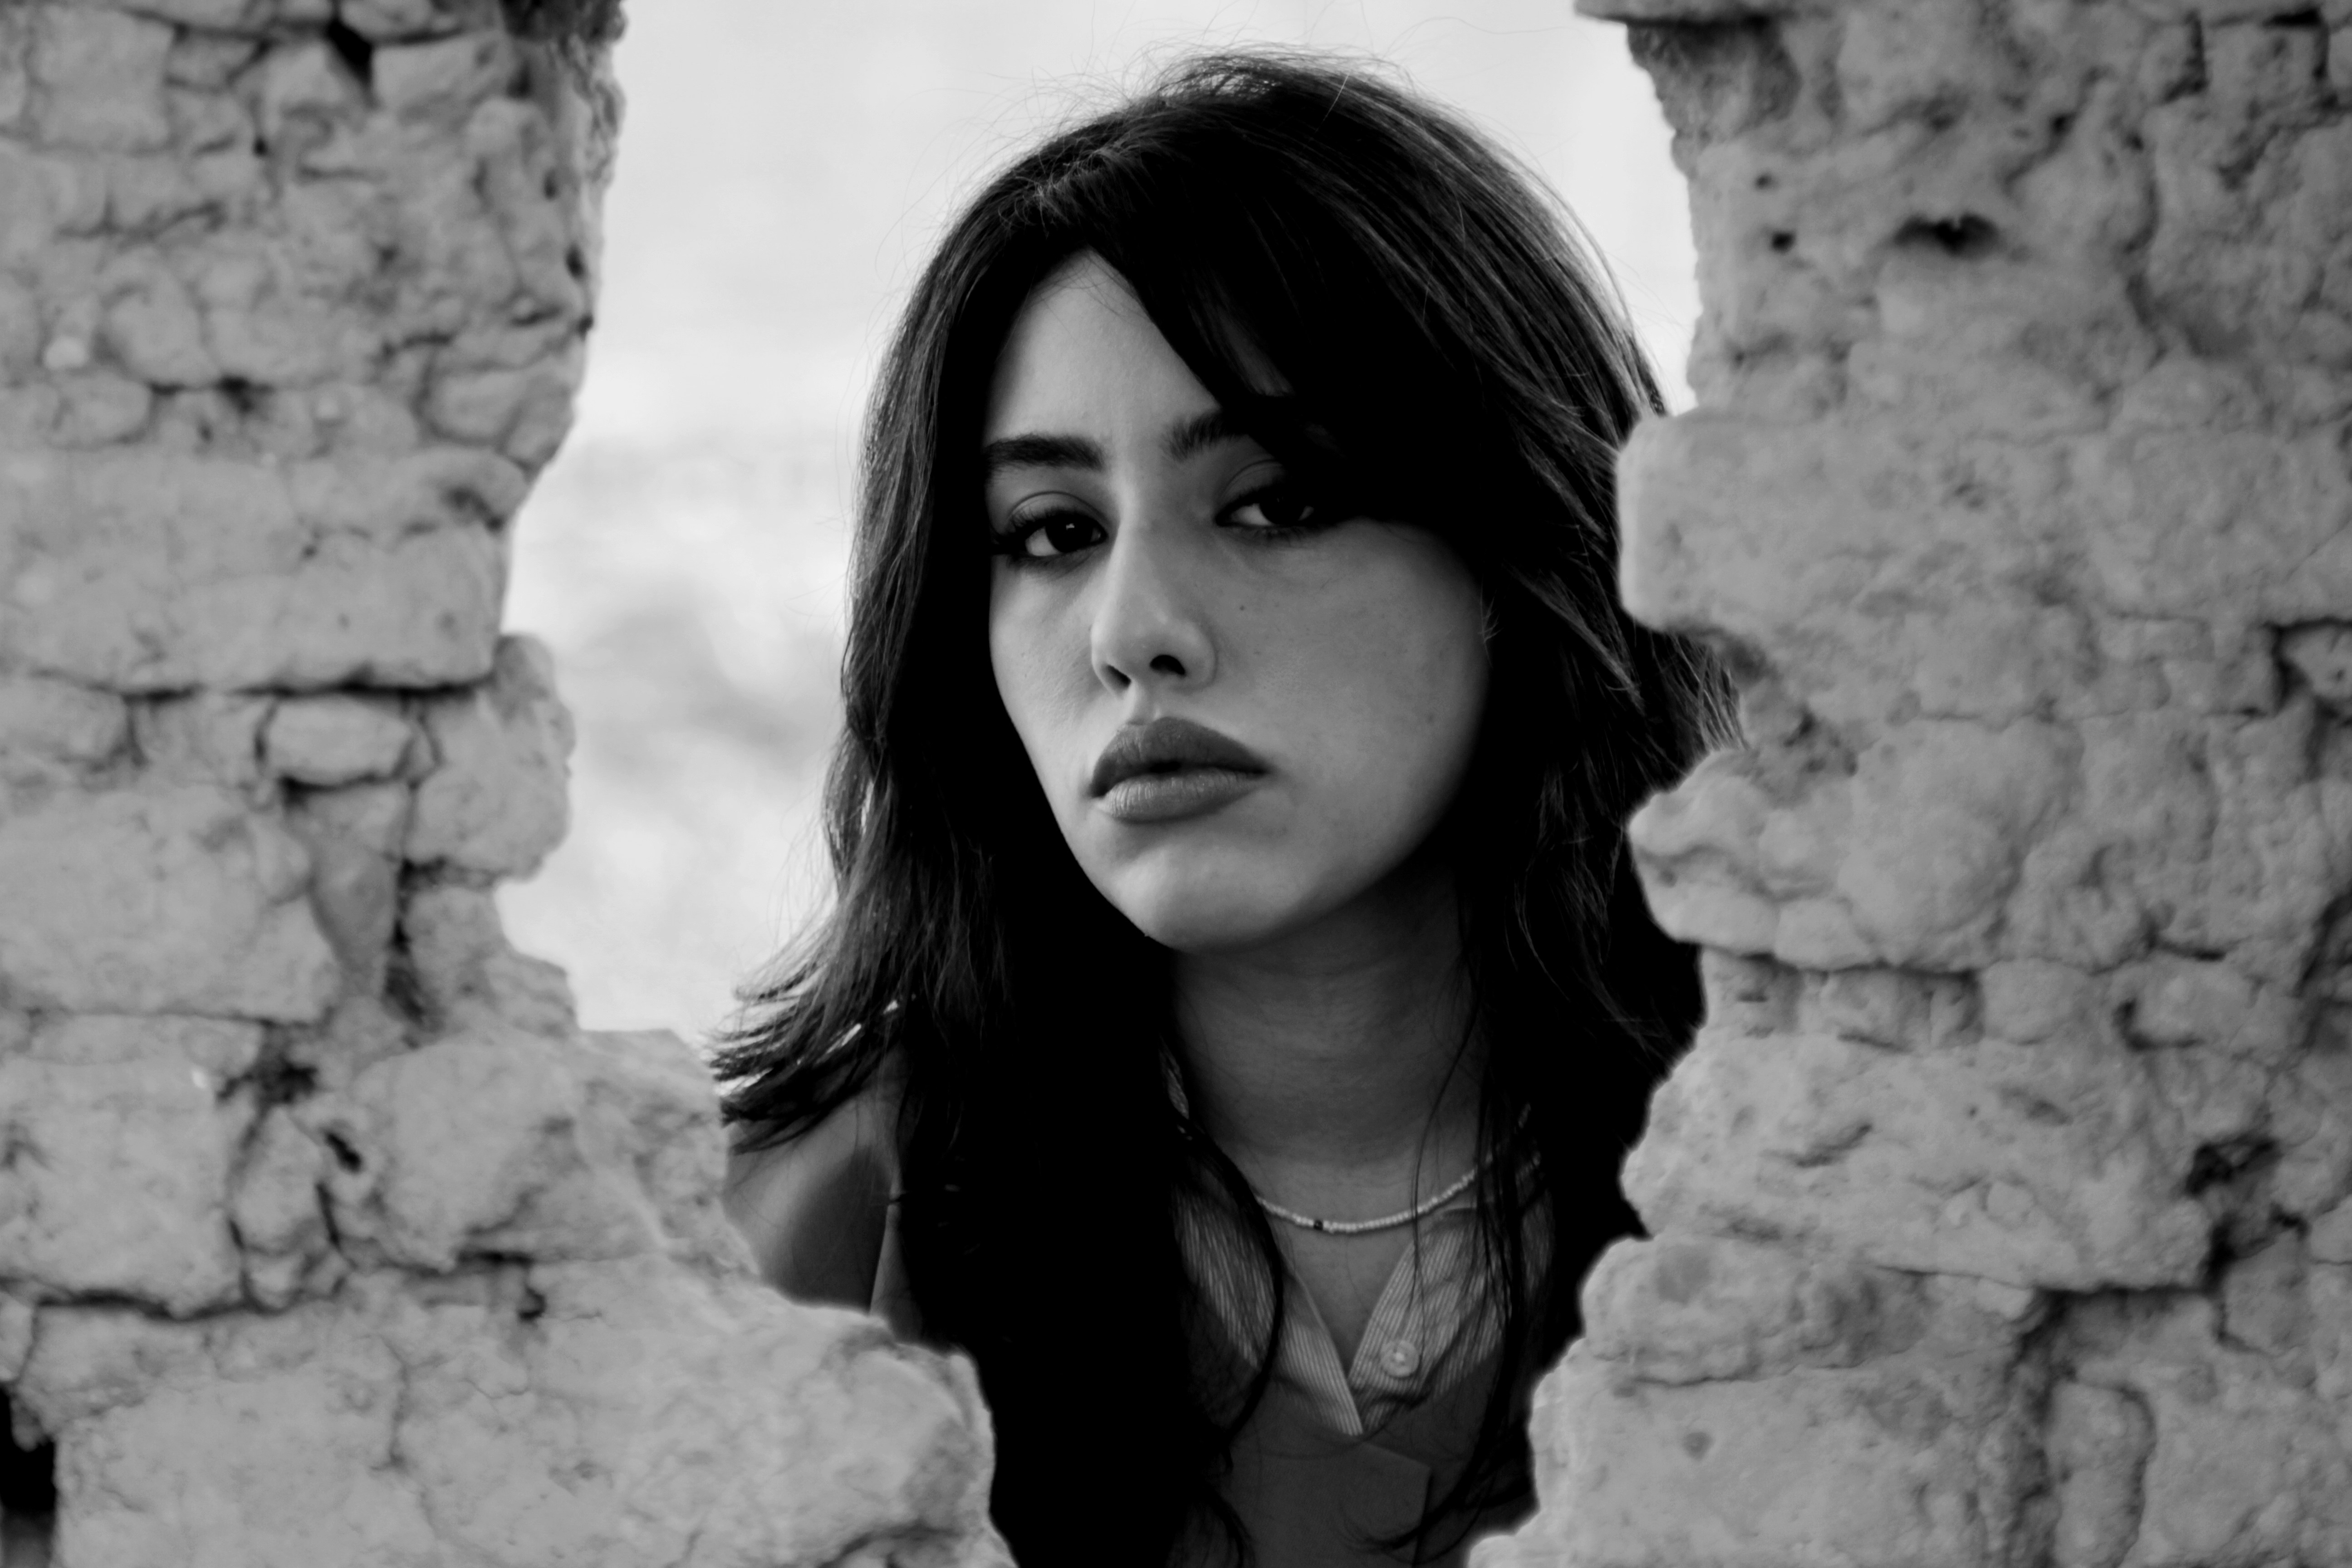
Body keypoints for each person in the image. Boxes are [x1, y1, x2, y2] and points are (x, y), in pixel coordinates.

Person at [712, 49, 1728, 1568]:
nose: (1134, 629)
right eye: (1051, 531)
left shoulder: (1808, 1172)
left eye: (1276, 502)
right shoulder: (809, 1233)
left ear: (1524, 557)